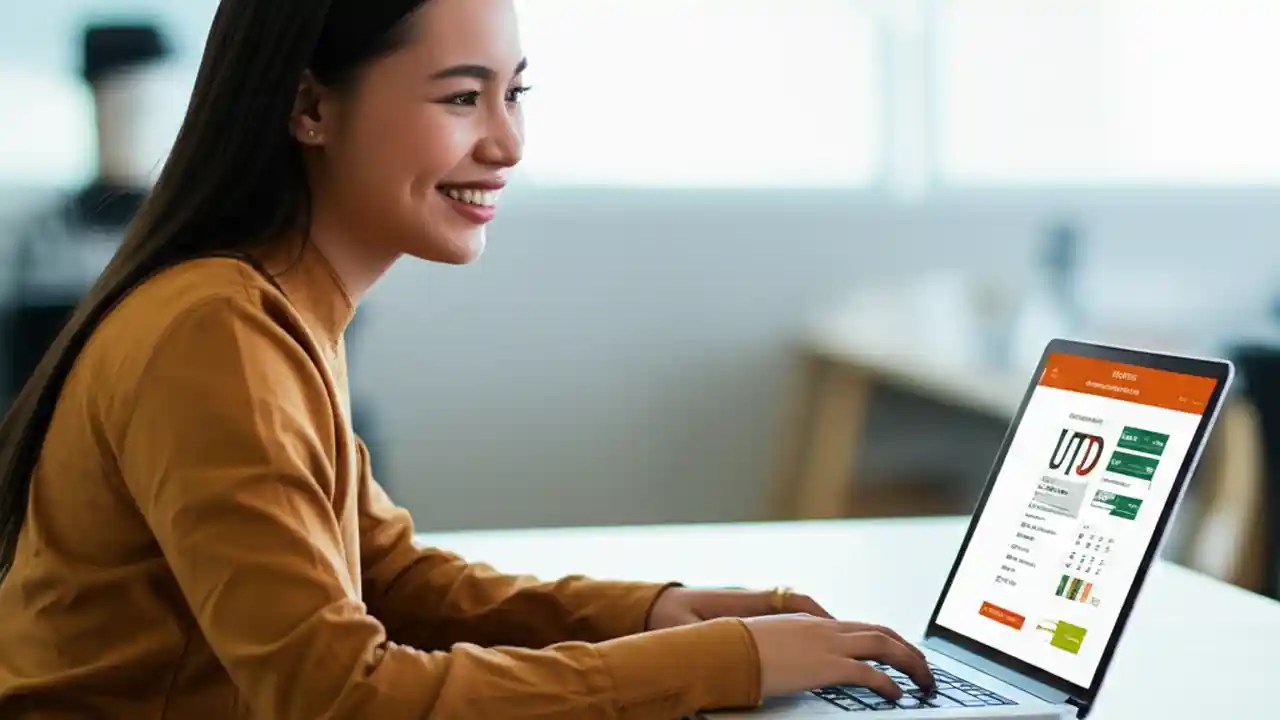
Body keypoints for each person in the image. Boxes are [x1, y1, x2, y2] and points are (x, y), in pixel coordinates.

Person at [0, 1, 932, 717]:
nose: (507, 142)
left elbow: (388, 579)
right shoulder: (213, 333)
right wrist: (729, 663)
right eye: (460, 97)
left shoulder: (268, 308)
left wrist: (657, 614)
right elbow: (340, 697)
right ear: (312, 107)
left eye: (513, 93)